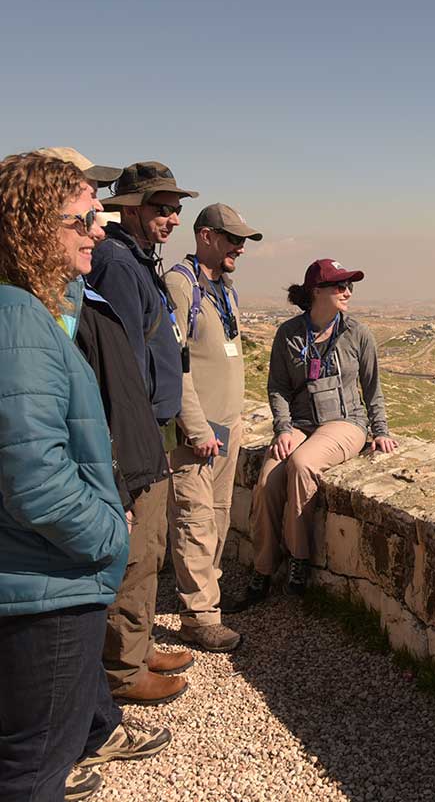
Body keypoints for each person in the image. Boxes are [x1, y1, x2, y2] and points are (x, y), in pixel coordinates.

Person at [0, 153, 164, 802]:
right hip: (49, 587)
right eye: (82, 218)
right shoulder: (19, 319)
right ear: (35, 226)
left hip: (40, 577)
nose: (98, 229)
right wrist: (107, 533)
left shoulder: (24, 312)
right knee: (35, 770)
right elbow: (34, 476)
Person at [86, 160, 198, 705]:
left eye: (176, 208)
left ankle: (139, 643)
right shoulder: (116, 263)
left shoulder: (135, 259)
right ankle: (122, 671)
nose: (172, 217)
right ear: (129, 206)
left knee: (151, 548)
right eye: (161, 206)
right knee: (135, 553)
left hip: (152, 426)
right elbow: (120, 362)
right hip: (136, 430)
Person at [237, 258, 397, 607]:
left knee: (303, 464)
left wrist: (380, 430)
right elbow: (278, 386)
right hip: (300, 423)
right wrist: (282, 429)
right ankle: (263, 567)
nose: (347, 291)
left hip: (345, 423)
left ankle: (299, 558)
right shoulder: (290, 334)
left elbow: (372, 387)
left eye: (349, 285)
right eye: (340, 285)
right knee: (267, 478)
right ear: (316, 292)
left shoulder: (358, 333)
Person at [165, 203, 263, 651]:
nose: (239, 248)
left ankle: (207, 597)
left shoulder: (226, 289)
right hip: (197, 432)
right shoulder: (180, 285)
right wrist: (195, 424)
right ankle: (200, 616)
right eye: (232, 239)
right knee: (195, 520)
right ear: (205, 236)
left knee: (218, 518)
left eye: (242, 240)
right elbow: (173, 364)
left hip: (229, 425)